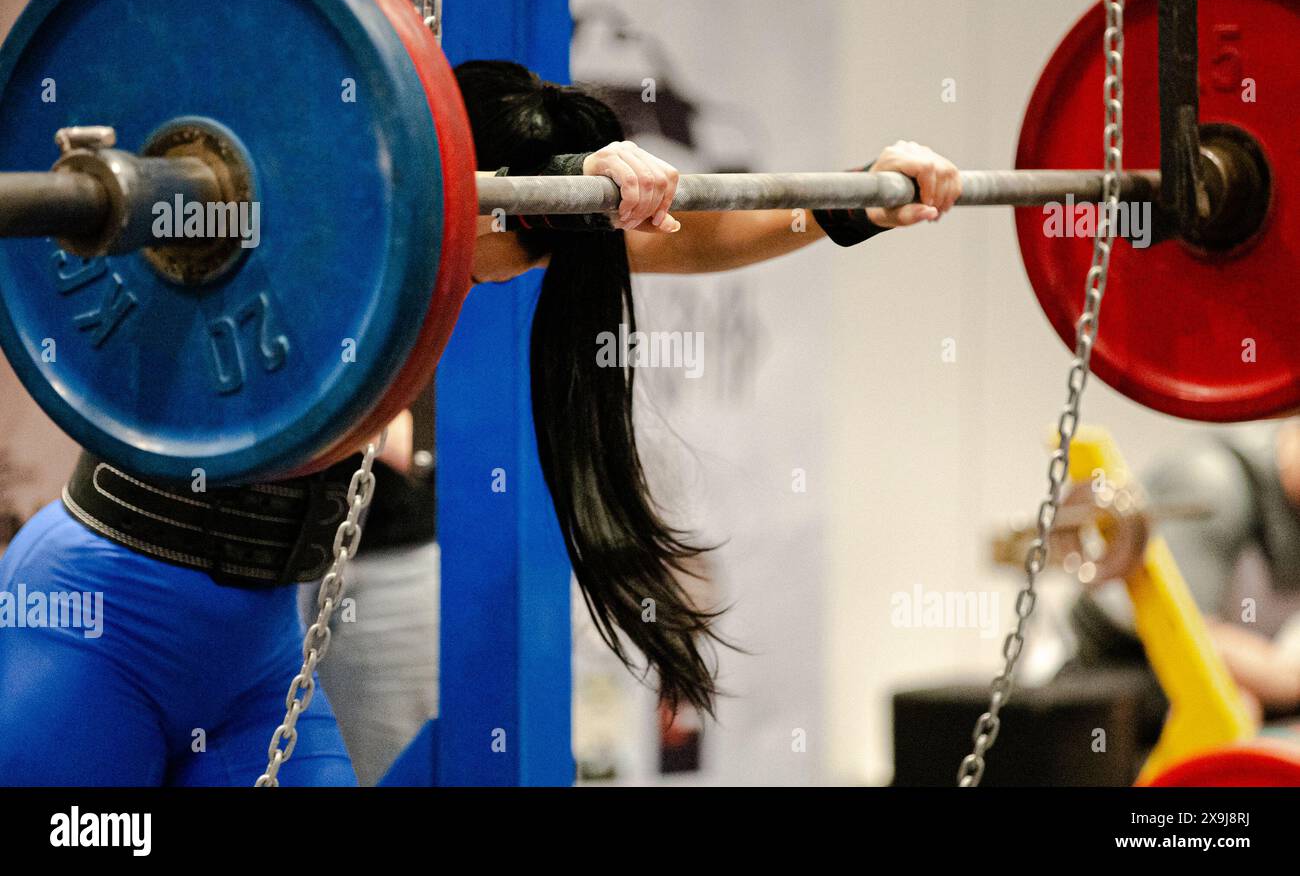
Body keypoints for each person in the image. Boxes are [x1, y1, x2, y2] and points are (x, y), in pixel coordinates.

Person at [0, 57, 960, 785]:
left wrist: (853, 198)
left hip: (253, 666)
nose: (525, 274)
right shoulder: (308, 213)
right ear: (484, 202)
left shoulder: (456, 252)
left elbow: (689, 235)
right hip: (96, 622)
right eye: (531, 243)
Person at [1064, 420, 1300, 731]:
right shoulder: (1214, 480)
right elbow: (1184, 634)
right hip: (1109, 695)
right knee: (1235, 710)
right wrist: (1284, 676)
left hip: (1206, 694)